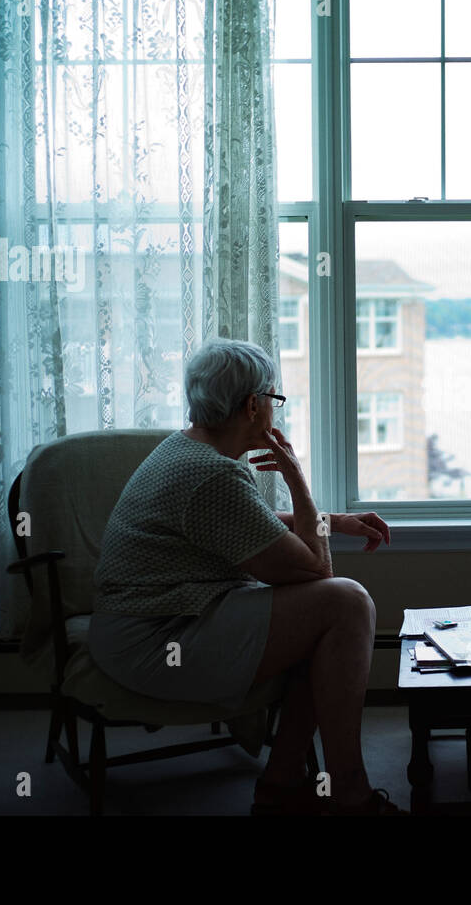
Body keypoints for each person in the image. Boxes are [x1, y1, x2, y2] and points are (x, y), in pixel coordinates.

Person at [89, 337, 401, 815]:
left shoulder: (186, 449)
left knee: (324, 624)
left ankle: (282, 783)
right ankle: (349, 792)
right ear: (253, 406)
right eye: (274, 398)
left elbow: (246, 524)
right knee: (346, 603)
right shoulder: (213, 475)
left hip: (140, 626)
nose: (276, 409)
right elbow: (316, 570)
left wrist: (334, 521)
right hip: (154, 641)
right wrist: (297, 480)